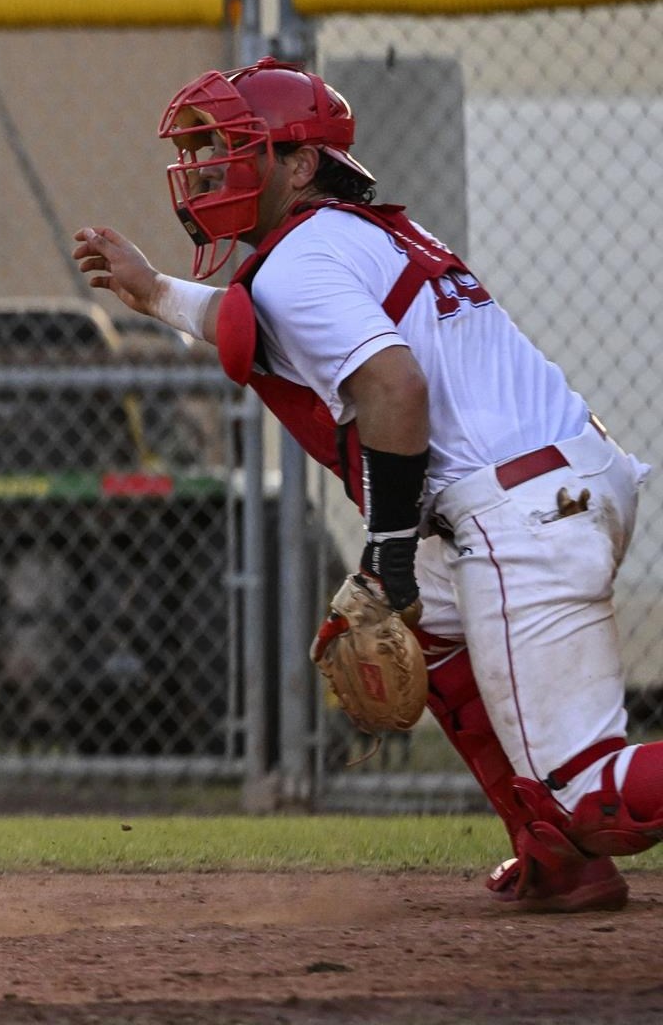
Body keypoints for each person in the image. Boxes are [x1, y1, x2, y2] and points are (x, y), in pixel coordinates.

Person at [73, 57, 662, 913]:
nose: (209, 168)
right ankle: (557, 859)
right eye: (204, 150)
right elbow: (254, 323)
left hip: (517, 513)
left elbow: (393, 388)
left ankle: (569, 829)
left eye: (237, 148)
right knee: (417, 621)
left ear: (301, 163)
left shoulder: (299, 261)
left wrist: (385, 543)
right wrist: (158, 291)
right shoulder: (354, 234)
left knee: (595, 796)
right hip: (560, 484)